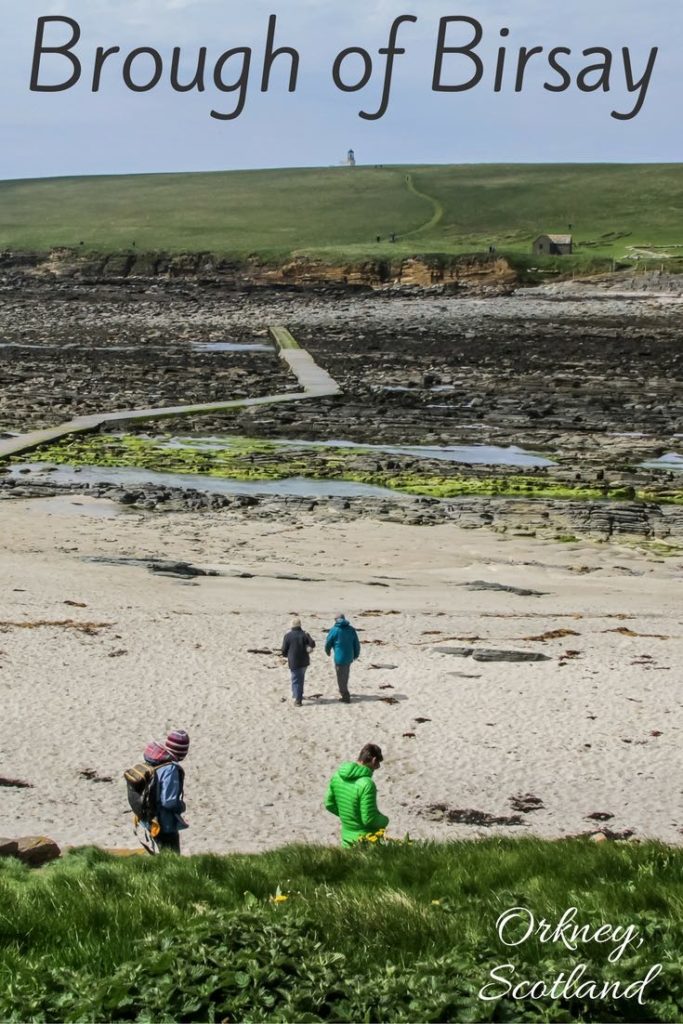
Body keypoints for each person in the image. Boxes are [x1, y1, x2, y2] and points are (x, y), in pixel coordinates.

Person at [324, 743, 389, 847]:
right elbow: (369, 819)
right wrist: (385, 820)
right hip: (365, 842)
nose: (377, 767)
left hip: (346, 840)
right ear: (373, 760)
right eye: (378, 764)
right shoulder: (367, 784)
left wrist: (348, 817)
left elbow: (329, 804)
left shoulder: (337, 776)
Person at [140, 729, 190, 853]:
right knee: (172, 856)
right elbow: (169, 801)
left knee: (159, 851)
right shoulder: (171, 769)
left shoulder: (154, 760)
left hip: (149, 818)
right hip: (164, 823)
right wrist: (181, 806)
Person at [324, 611, 360, 703]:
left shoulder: (334, 630)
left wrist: (327, 651)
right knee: (345, 674)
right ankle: (344, 691)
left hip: (340, 658)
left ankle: (345, 695)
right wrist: (356, 654)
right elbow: (356, 643)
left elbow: (328, 642)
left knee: (340, 676)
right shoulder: (351, 629)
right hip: (349, 656)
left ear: (336, 620)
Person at [281, 616, 316, 706]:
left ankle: (298, 699)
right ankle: (296, 694)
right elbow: (312, 644)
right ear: (300, 625)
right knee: (299, 679)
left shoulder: (288, 636)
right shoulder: (304, 634)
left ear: (291, 626)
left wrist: (287, 655)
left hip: (293, 661)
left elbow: (284, 650)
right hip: (304, 661)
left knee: (296, 679)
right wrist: (308, 636)